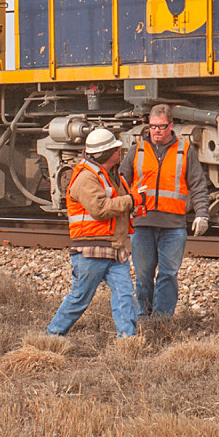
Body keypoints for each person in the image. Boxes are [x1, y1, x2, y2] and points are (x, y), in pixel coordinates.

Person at [47, 127, 146, 338]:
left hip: (113, 247)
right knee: (79, 298)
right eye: (116, 149)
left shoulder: (108, 176)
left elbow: (115, 205)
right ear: (107, 154)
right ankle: (51, 336)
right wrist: (132, 201)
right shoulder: (86, 179)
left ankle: (128, 341)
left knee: (125, 296)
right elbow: (100, 210)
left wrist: (132, 205)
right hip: (90, 250)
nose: (120, 152)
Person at [122, 104, 211, 319]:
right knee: (143, 275)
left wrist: (202, 214)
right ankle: (143, 316)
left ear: (171, 126)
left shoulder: (185, 150)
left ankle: (161, 321)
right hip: (142, 223)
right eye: (153, 126)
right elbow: (121, 182)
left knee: (168, 275)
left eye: (161, 126)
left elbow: (198, 184)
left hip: (173, 226)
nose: (157, 131)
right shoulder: (137, 150)